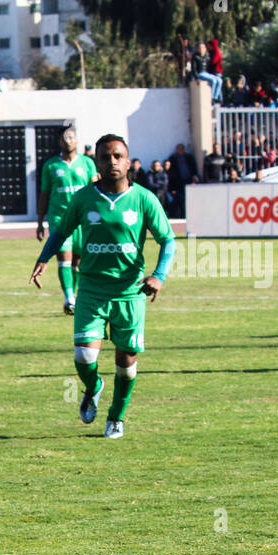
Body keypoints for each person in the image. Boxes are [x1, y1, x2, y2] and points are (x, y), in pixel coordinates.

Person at [30, 133, 176, 439]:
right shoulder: (83, 198)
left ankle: (116, 417)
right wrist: (44, 258)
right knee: (84, 358)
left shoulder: (144, 199)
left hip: (130, 292)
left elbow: (168, 239)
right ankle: (94, 386)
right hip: (92, 291)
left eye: (118, 156)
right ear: (96, 161)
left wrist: (159, 274)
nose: (112, 162)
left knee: (126, 363)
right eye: (105, 157)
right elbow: (61, 231)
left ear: (127, 159)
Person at [37, 127, 98, 315]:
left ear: (77, 140)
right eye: (65, 138)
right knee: (64, 256)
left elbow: (96, 189)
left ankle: (76, 295)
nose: (68, 141)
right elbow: (45, 194)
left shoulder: (87, 163)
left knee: (77, 260)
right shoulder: (51, 166)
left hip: (83, 218)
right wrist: (40, 221)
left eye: (72, 137)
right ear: (60, 142)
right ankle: (69, 297)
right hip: (59, 217)